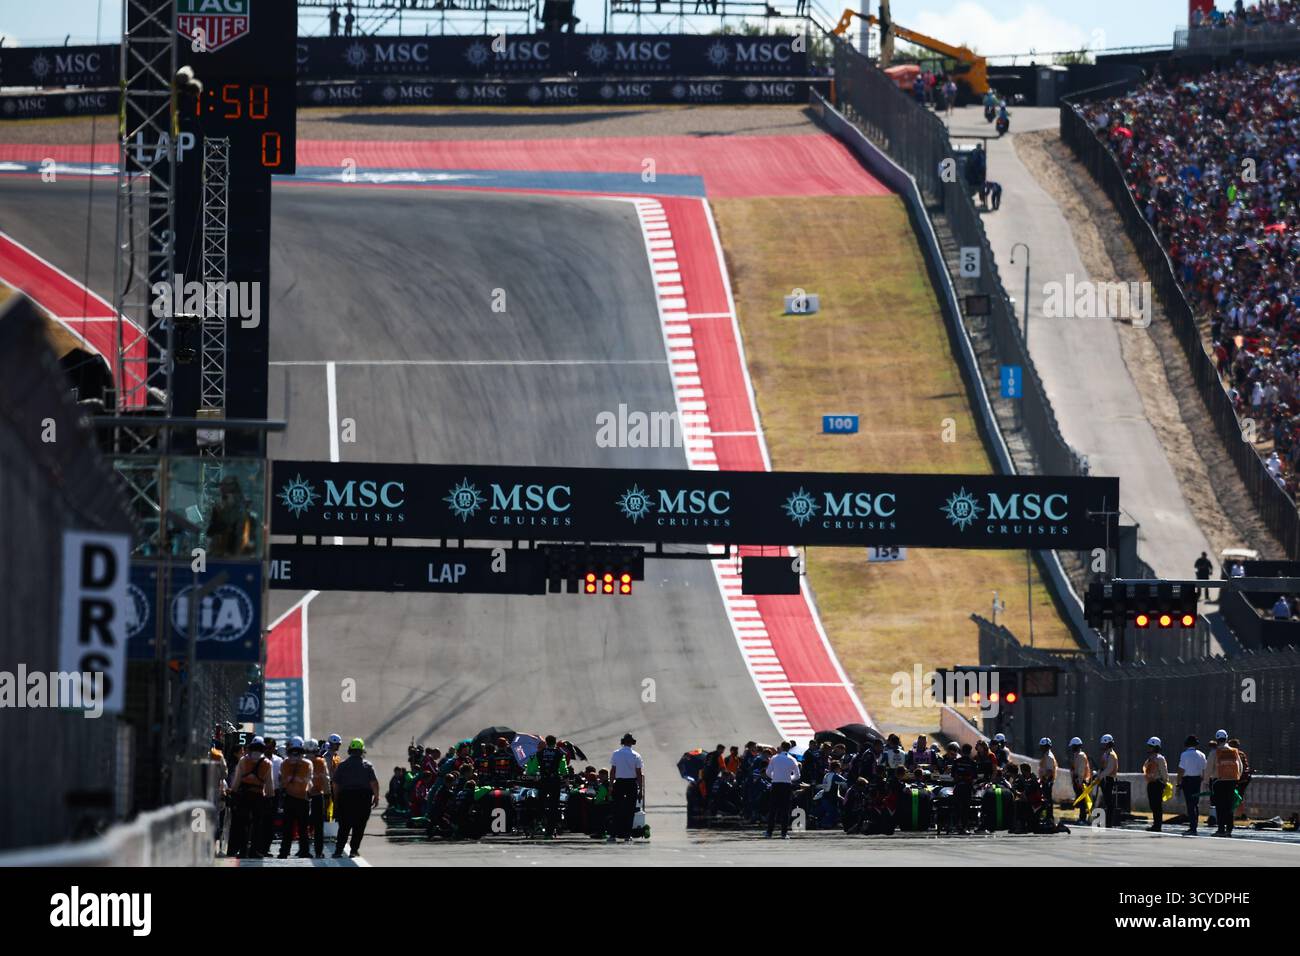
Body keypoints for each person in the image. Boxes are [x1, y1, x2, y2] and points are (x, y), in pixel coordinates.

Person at [332, 738, 379, 858]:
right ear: (362, 751)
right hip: (363, 798)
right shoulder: (367, 765)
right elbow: (374, 783)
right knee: (359, 826)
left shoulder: (342, 765)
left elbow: (336, 784)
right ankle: (353, 850)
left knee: (344, 826)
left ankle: (338, 851)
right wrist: (376, 797)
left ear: (350, 750)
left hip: (346, 797)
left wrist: (336, 799)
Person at [227, 737, 272, 859]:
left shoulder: (243, 760)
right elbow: (269, 785)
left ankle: (243, 850)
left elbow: (236, 780)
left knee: (243, 824)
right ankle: (254, 851)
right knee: (257, 825)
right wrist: (269, 797)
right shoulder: (267, 763)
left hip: (244, 795)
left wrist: (233, 792)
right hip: (258, 796)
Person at [279, 737, 314, 858]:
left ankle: (284, 852)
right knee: (303, 828)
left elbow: (283, 781)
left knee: (288, 828)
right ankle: (303, 851)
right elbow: (309, 782)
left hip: (290, 798)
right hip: (302, 799)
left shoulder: (285, 763)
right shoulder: (307, 763)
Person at [530, 734, 569, 838]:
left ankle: (538, 823)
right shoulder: (560, 754)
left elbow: (531, 770)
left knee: (540, 803)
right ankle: (550, 831)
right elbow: (564, 770)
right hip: (554, 782)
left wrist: (536, 773)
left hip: (543, 781)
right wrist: (565, 779)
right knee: (554, 806)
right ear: (555, 742)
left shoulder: (539, 753)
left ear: (546, 742)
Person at [1207, 729, 1243, 837]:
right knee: (1229, 805)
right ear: (1226, 738)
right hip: (1232, 781)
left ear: (1217, 739)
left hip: (1218, 781)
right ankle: (1229, 829)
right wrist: (1237, 778)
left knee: (1220, 806)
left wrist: (1205, 780)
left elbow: (1209, 768)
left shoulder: (1215, 752)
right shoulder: (1234, 751)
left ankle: (1221, 829)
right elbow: (1240, 766)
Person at [609, 733, 643, 843]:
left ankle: (613, 834)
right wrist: (640, 790)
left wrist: (610, 785)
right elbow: (638, 774)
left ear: (623, 742)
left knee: (616, 809)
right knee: (630, 810)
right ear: (632, 743)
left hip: (619, 783)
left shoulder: (616, 754)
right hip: (631, 784)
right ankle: (627, 835)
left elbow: (613, 771)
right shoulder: (636, 755)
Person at [765, 741, 800, 839]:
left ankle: (769, 832)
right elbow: (797, 775)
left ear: (781, 747)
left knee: (773, 809)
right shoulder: (792, 759)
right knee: (785, 810)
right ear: (789, 748)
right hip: (786, 785)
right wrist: (789, 777)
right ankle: (784, 833)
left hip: (776, 784)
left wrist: (775, 777)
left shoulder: (774, 758)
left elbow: (768, 772)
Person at [1176, 735, 1207, 835]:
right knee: (1195, 803)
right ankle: (1195, 825)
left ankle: (1192, 827)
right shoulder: (1201, 754)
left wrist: (1178, 782)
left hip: (1187, 780)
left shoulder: (1184, 755)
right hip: (1197, 780)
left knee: (1190, 804)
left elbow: (1181, 770)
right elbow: (1204, 769)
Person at [306, 738, 329, 858]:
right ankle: (318, 851)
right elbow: (326, 779)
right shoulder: (321, 762)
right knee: (318, 826)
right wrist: (327, 794)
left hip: (302, 797)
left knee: (303, 824)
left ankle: (303, 850)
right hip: (317, 796)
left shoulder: (301, 761)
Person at [1142, 737, 1169, 832]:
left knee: (1157, 805)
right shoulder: (1150, 759)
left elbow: (1164, 771)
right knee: (1152, 805)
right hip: (1151, 783)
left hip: (1157, 783)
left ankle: (1158, 825)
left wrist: (1165, 782)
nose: (1149, 748)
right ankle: (1155, 824)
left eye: (1151, 746)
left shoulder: (1159, 758)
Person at [950, 743, 977, 834]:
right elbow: (975, 777)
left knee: (957, 807)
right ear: (969, 752)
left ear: (962, 751)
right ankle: (964, 827)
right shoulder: (972, 763)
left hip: (958, 787)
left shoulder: (957, 762)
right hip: (967, 788)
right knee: (965, 808)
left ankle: (956, 826)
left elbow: (952, 775)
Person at [1097, 734, 1120, 827]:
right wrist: (1098, 774)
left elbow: (1109, 769)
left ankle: (1109, 822)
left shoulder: (1111, 755)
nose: (1102, 746)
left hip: (1109, 779)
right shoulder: (1105, 754)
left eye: (1104, 744)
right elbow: (1102, 767)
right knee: (1105, 801)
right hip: (1104, 779)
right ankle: (1104, 820)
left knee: (1109, 802)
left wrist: (1101, 776)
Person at [1068, 737, 1092, 825]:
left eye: (1073, 746)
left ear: (1076, 746)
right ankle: (1081, 818)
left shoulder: (1081, 755)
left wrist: (1079, 781)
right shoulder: (1076, 755)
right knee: (1081, 800)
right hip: (1077, 780)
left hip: (1081, 781)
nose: (1071, 748)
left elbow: (1081, 770)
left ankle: (1083, 819)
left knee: (1082, 801)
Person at [1038, 738, 1059, 827]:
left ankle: (1049, 817)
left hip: (1047, 780)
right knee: (1046, 799)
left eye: (1044, 747)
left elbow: (1050, 770)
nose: (1042, 748)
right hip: (1045, 780)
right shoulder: (1046, 755)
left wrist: (1045, 779)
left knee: (1048, 799)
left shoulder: (1049, 756)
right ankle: (1047, 816)